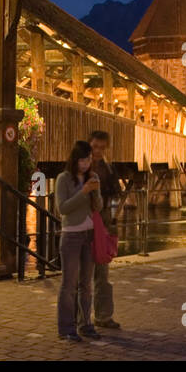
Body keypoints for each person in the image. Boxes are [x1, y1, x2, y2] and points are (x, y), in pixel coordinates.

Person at [55, 140, 103, 342]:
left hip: (89, 235)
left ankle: (86, 324)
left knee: (87, 284)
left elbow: (98, 207)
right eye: (83, 160)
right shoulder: (63, 179)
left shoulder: (93, 177)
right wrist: (82, 192)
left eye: (89, 160)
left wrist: (95, 192)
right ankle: (67, 328)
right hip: (71, 236)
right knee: (69, 284)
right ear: (75, 159)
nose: (86, 164)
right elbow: (63, 208)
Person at [88, 130, 122, 329]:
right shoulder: (80, 169)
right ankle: (80, 318)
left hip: (104, 223)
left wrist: (111, 225)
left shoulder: (109, 170)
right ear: (89, 146)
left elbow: (116, 197)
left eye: (102, 147)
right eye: (95, 147)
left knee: (102, 274)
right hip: (84, 225)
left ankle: (103, 316)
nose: (98, 151)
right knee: (82, 276)